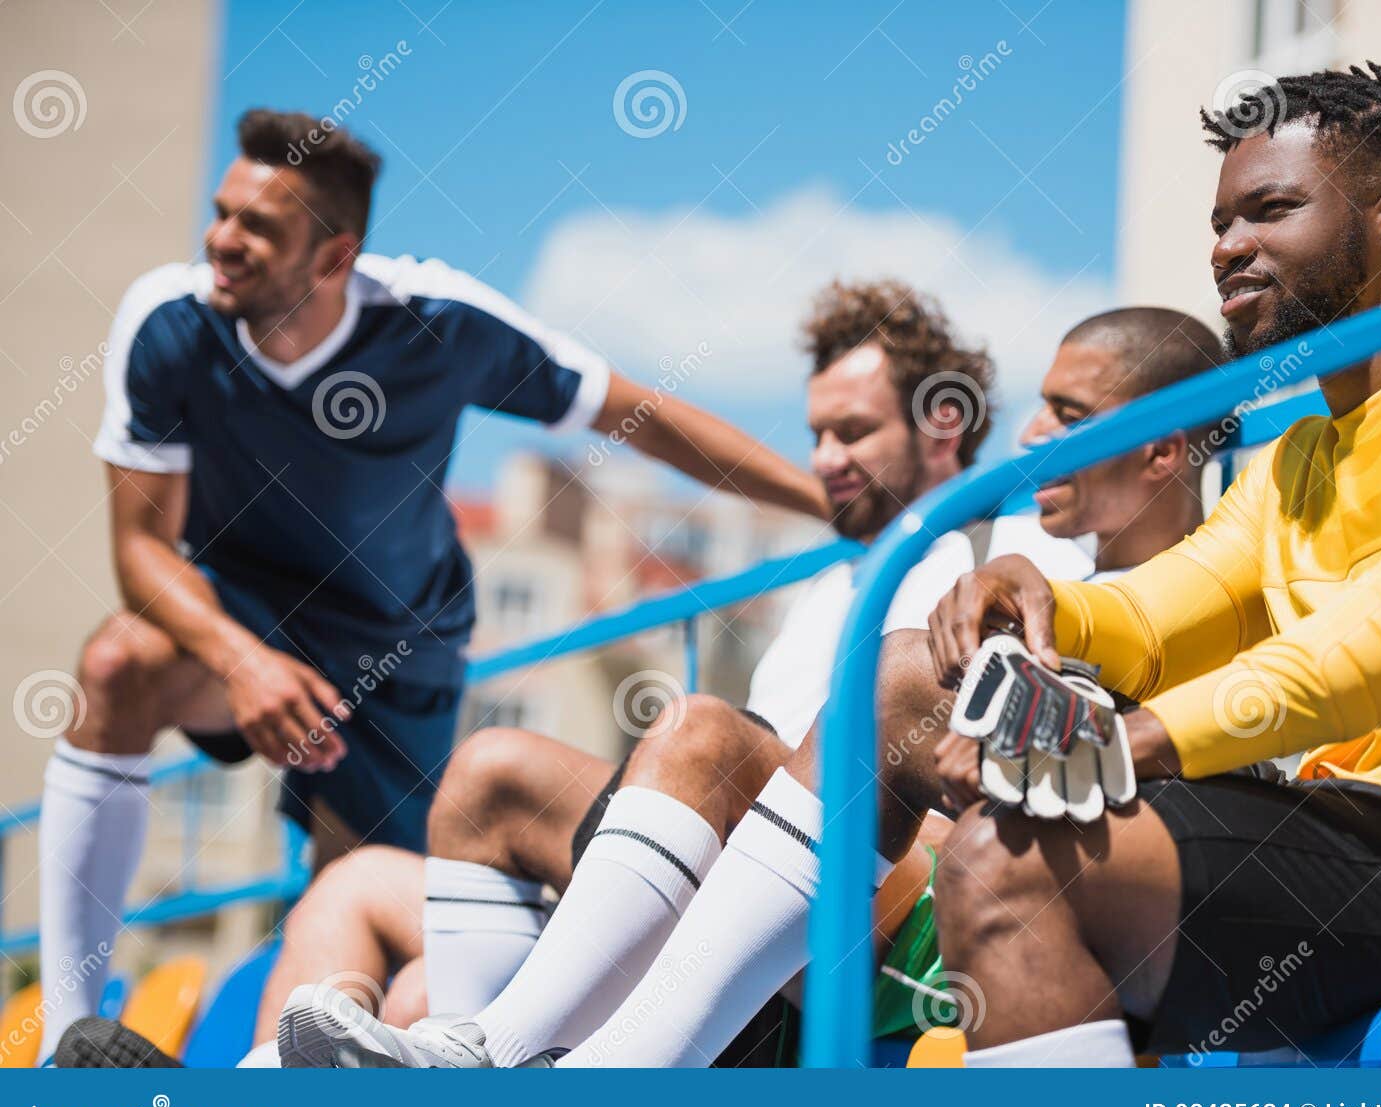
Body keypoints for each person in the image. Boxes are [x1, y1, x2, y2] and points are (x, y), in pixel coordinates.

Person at [37, 107, 829, 1060]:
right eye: (221, 212)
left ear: (335, 257)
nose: (222, 240)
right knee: (117, 662)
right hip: (242, 619)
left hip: (398, 653)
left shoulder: (438, 322)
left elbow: (640, 416)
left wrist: (829, 501)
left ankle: (300, 1083)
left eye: (259, 227)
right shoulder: (167, 324)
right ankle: (66, 1036)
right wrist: (241, 662)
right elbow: (140, 551)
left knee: (356, 902)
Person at [270, 302, 1227, 1068]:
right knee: (489, 770)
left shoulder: (1020, 551)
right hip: (787, 844)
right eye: (815, 433)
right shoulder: (832, 588)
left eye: (852, 430)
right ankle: (462, 1055)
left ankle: (511, 1058)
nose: (823, 458)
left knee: (706, 735)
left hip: (913, 878)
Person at [925, 62, 1381, 1067]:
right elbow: (1158, 616)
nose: (1226, 247)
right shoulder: (1296, 460)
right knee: (907, 677)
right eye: (1219, 223)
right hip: (1355, 835)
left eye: (1270, 211)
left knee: (1009, 866)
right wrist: (1037, 607)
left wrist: (1137, 740)